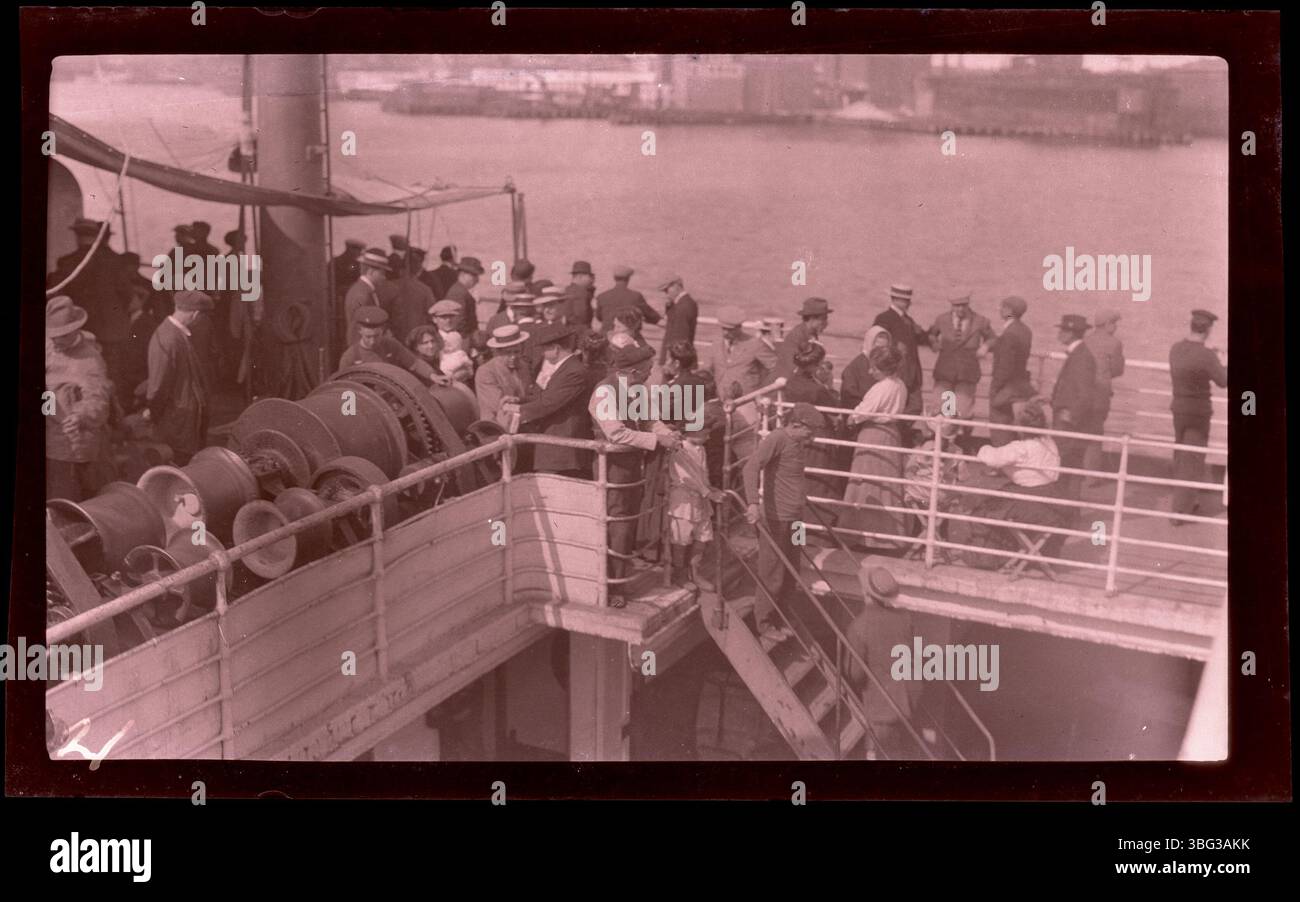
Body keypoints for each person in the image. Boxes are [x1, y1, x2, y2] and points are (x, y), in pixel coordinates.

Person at [588, 342, 681, 606]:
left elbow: (650, 419)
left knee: (626, 521)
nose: (651, 375)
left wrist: (666, 434)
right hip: (612, 466)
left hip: (631, 464)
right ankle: (612, 585)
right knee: (616, 522)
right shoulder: (605, 392)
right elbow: (616, 432)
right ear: (631, 371)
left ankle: (620, 575)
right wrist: (655, 441)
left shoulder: (637, 389)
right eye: (646, 370)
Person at [742, 402, 824, 639]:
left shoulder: (797, 443)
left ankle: (781, 617)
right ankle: (764, 624)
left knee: (792, 570)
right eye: (811, 431)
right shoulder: (777, 439)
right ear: (796, 424)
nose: (813, 436)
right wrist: (752, 503)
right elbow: (750, 468)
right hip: (776, 518)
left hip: (796, 519)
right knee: (773, 572)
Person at [955, 399, 1066, 569]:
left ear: (1020, 426)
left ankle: (990, 557)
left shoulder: (1021, 448)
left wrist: (982, 448)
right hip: (1052, 499)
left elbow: (992, 458)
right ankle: (1027, 556)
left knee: (984, 511)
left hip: (1030, 501)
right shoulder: (1049, 443)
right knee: (999, 501)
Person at [48, 218, 133, 404]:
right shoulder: (116, 260)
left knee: (83, 379)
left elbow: (58, 298)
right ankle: (114, 420)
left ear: (78, 237)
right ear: (98, 237)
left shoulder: (66, 263)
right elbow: (127, 294)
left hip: (80, 332)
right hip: (114, 332)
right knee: (114, 376)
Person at [45, 297, 115, 501]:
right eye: (52, 335)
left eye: (61, 336)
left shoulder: (90, 361)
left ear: (74, 330)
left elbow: (98, 402)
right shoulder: (49, 347)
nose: (55, 340)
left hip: (68, 446)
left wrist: (79, 416)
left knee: (63, 499)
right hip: (47, 433)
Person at [841, 346, 909, 547]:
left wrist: (850, 419)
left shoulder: (881, 388)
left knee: (866, 483)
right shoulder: (900, 385)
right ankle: (887, 537)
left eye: (874, 369)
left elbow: (862, 412)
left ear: (884, 370)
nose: (870, 372)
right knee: (886, 484)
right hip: (892, 434)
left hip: (874, 434)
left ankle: (862, 536)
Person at [505, 324, 592, 478]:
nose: (543, 354)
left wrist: (518, 409)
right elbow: (547, 397)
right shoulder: (567, 368)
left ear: (556, 349)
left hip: (562, 450)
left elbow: (550, 403)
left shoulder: (574, 371)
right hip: (556, 448)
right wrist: (519, 400)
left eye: (545, 349)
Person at [1168, 309, 1227, 523]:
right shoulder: (1206, 355)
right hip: (1198, 412)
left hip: (1178, 408)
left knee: (1181, 453)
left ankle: (1187, 500)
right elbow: (1223, 380)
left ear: (1191, 326)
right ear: (1208, 329)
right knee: (1192, 459)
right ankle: (1180, 512)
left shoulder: (1176, 349)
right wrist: (1222, 359)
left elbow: (1190, 363)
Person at [709, 305, 778, 480]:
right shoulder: (716, 344)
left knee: (748, 459)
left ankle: (751, 497)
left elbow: (776, 370)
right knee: (721, 457)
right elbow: (711, 371)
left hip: (747, 408)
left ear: (739, 328)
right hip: (722, 407)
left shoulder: (755, 345)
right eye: (724, 329)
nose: (726, 333)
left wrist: (762, 396)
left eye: (730, 330)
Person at [145, 290, 213, 465]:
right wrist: (153, 414)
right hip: (176, 425)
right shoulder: (168, 338)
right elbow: (158, 387)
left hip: (184, 422)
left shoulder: (178, 334)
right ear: (196, 314)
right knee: (179, 468)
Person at [662, 404, 725, 590]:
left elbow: (702, 476)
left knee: (702, 537)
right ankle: (680, 575)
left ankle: (695, 573)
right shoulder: (679, 449)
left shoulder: (701, 449)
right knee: (682, 538)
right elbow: (688, 477)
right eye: (705, 432)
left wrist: (710, 488)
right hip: (683, 500)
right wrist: (708, 492)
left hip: (701, 499)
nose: (709, 436)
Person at [1048, 314, 1098, 503]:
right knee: (1069, 466)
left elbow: (1086, 393)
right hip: (1068, 418)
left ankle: (1066, 511)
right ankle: (1068, 510)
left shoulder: (1082, 357)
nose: (1060, 333)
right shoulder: (1080, 354)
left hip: (1069, 422)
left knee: (1066, 464)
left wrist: (1071, 415)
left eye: (1063, 330)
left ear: (1071, 333)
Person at [929, 294, 994, 434]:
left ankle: (963, 443)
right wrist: (934, 343)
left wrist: (985, 347)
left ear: (968, 304)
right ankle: (942, 444)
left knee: (963, 413)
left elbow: (993, 338)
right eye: (956, 305)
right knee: (942, 412)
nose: (960, 309)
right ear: (951, 305)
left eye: (963, 305)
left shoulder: (980, 321)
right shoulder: (942, 319)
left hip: (967, 373)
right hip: (945, 372)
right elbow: (931, 333)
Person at [874, 284, 930, 446]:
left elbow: (921, 337)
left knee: (915, 406)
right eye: (904, 300)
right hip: (896, 373)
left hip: (912, 374)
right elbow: (878, 345)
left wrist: (931, 334)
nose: (907, 303)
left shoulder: (908, 321)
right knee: (902, 407)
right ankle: (894, 438)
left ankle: (897, 436)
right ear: (894, 299)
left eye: (908, 300)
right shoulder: (884, 318)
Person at [337, 306, 447, 386]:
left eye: (376, 336)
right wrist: (350, 413)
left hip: (393, 399)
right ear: (359, 331)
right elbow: (346, 389)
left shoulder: (390, 344)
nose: (372, 341)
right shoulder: (350, 357)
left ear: (383, 331)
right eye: (368, 336)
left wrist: (433, 376)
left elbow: (414, 363)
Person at [1082, 308, 1126, 479]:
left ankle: (1078, 472)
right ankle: (1091, 476)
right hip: (1100, 393)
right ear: (1107, 324)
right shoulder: (1114, 343)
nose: (1116, 327)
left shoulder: (1085, 340)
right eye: (1114, 323)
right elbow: (1117, 369)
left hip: (1082, 392)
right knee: (1095, 432)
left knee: (1081, 430)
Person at [987, 295, 1035, 446]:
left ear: (1009, 310)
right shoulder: (1025, 331)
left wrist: (995, 387)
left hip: (1006, 387)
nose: (999, 309)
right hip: (1021, 384)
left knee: (999, 424)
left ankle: (1001, 463)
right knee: (1018, 425)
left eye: (1002, 307)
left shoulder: (1009, 334)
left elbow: (1005, 364)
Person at [475, 324, 532, 427]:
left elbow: (530, 394)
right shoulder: (486, 372)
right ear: (497, 352)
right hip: (497, 428)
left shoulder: (524, 366)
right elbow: (500, 405)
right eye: (508, 353)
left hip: (525, 423)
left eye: (516, 351)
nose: (513, 357)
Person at [343, 248, 393, 346]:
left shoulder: (363, 290)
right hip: (362, 349)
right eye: (382, 273)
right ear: (370, 271)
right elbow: (360, 329)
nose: (384, 277)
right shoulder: (362, 294)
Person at [386, 249, 436, 344]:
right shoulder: (425, 290)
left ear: (401, 269)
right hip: (417, 340)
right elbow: (432, 317)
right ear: (418, 271)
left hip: (394, 340)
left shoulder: (389, 287)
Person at [775, 297, 832, 379]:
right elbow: (791, 366)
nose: (826, 323)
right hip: (788, 381)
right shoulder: (797, 336)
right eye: (823, 319)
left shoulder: (811, 333)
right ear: (812, 318)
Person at [840, 325, 894, 411]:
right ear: (869, 344)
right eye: (878, 347)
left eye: (885, 348)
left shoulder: (887, 367)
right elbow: (849, 395)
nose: (881, 352)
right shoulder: (855, 366)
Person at [596, 265, 660, 332]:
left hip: (606, 336)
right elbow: (651, 316)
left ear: (614, 278)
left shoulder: (602, 296)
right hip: (628, 336)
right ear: (628, 279)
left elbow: (599, 317)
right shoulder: (636, 296)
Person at [657, 274, 698, 365]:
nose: (666, 294)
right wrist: (669, 306)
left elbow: (680, 335)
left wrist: (672, 359)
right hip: (676, 356)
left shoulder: (683, 306)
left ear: (676, 286)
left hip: (675, 358)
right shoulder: (683, 303)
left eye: (666, 290)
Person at [444, 256, 485, 335]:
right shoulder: (458, 293)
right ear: (462, 274)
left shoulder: (460, 290)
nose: (477, 280)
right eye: (474, 275)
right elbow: (458, 323)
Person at [565, 260, 597, 327]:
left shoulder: (566, 290)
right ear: (580, 276)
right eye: (589, 276)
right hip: (580, 331)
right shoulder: (582, 293)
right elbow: (583, 318)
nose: (590, 280)